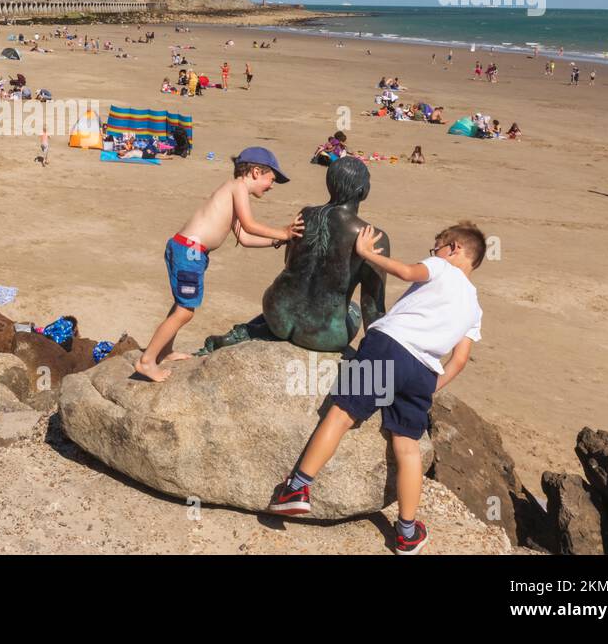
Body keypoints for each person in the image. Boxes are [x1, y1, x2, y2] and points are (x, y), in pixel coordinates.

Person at [266, 222, 487, 555]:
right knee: (407, 447)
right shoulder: (475, 309)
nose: (435, 253)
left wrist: (367, 253)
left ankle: (297, 489)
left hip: (391, 346)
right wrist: (428, 389)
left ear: (454, 248)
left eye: (436, 246)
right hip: (424, 371)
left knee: (342, 414)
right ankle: (407, 532)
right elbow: (459, 361)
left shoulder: (442, 267)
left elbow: (407, 272)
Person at [135, 148, 304, 382]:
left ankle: (164, 351)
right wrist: (284, 232)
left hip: (190, 250)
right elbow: (250, 224)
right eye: (271, 179)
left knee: (181, 305)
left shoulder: (233, 193)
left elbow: (244, 237)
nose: (271, 186)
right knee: (185, 311)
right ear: (256, 172)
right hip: (190, 252)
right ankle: (146, 361)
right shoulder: (238, 187)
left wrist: (278, 240)